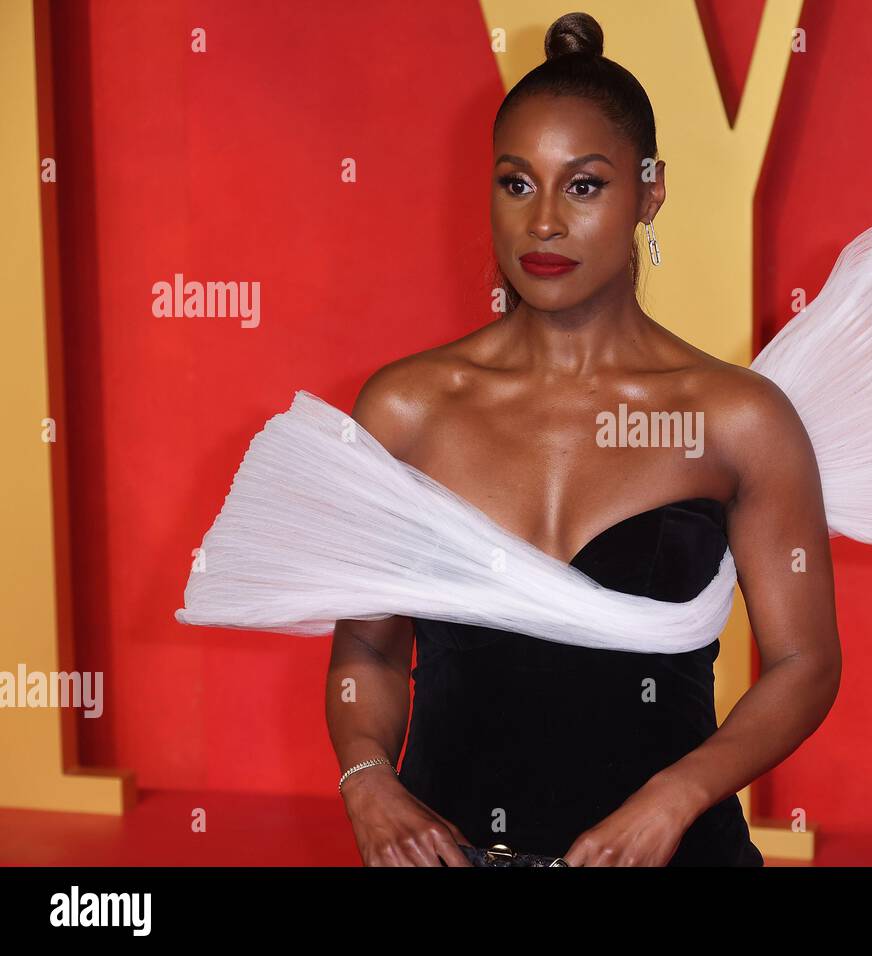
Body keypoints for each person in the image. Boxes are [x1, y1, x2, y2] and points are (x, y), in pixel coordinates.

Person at [324, 11, 842, 867]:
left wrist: (674, 798)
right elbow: (366, 652)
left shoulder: (738, 418)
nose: (545, 224)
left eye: (587, 185)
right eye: (517, 184)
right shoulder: (406, 410)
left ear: (651, 192)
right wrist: (367, 779)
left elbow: (804, 662)